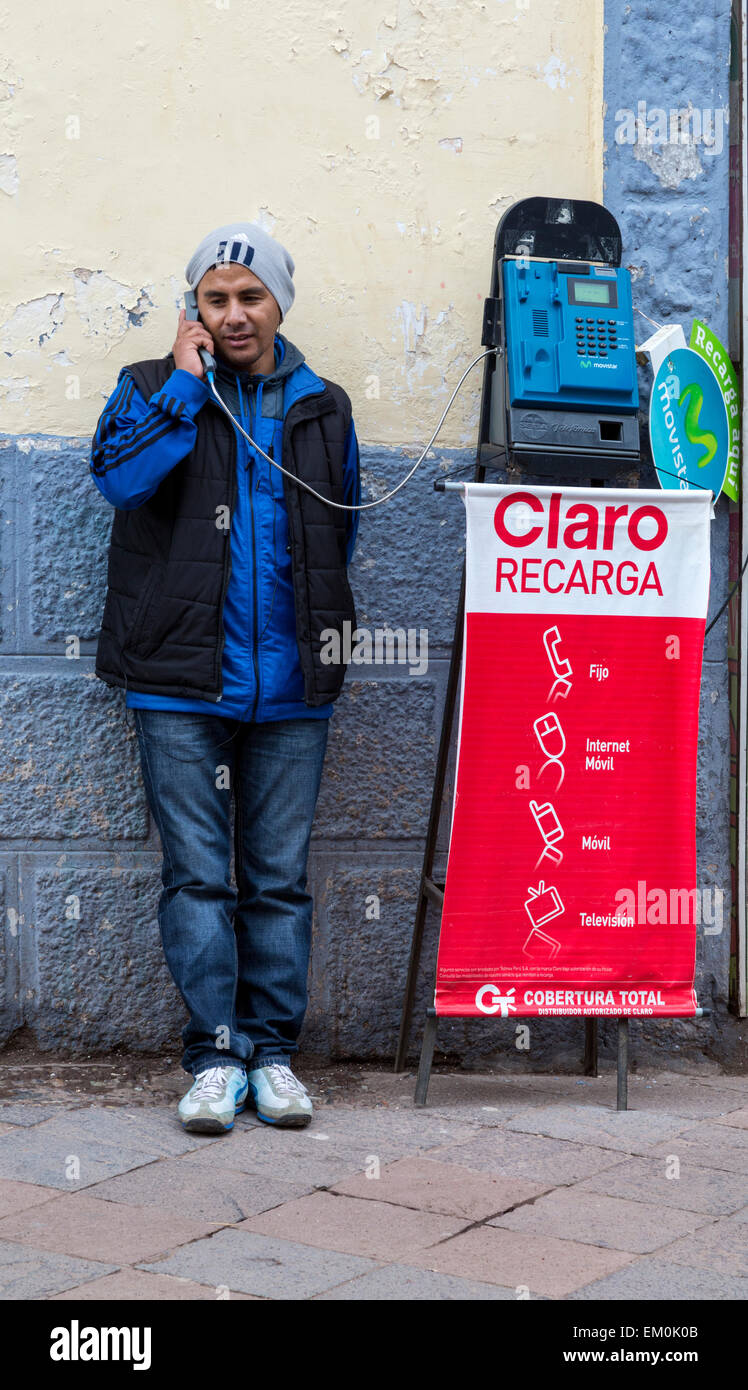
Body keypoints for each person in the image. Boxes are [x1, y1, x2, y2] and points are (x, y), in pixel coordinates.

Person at [90, 222, 360, 1134]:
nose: (236, 314)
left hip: (292, 686)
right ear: (192, 311)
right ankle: (214, 1060)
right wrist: (181, 386)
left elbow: (337, 537)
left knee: (278, 880)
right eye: (216, 299)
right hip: (179, 683)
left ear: (281, 301)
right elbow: (121, 482)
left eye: (251, 296)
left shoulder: (325, 405)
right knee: (199, 878)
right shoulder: (149, 390)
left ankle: (274, 1056)